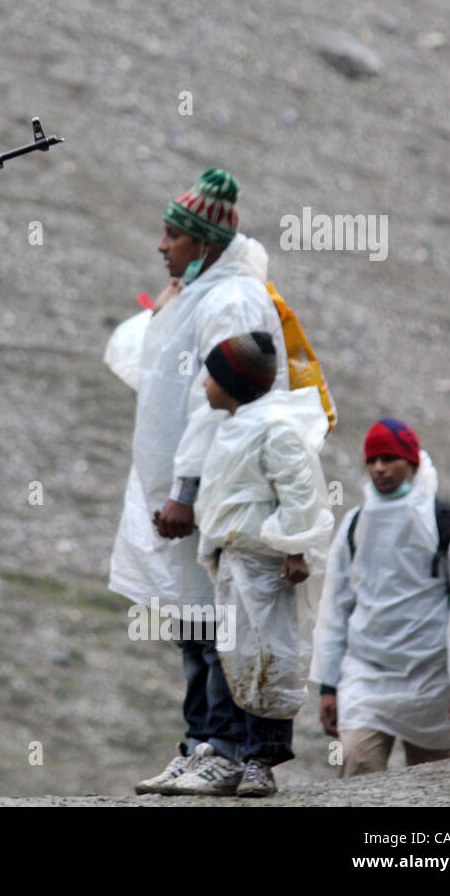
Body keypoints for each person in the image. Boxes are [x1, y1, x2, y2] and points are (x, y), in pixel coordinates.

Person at [104, 168, 289, 794]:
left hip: (216, 493)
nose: (162, 246)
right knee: (193, 621)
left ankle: (228, 747)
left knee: (220, 626)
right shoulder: (197, 291)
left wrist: (185, 491)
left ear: (204, 242)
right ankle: (200, 740)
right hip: (181, 492)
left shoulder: (231, 299)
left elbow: (217, 403)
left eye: (171, 236)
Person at [160, 333, 332, 797]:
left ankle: (262, 760)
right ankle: (230, 756)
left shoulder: (274, 428)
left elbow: (299, 491)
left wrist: (295, 549)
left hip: (268, 568)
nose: (205, 385)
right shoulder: (236, 425)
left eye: (212, 375)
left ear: (232, 381)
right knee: (235, 657)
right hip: (235, 565)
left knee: (270, 656)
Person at [311, 420, 450, 777]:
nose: (379, 467)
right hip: (366, 676)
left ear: (412, 463)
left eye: (389, 458)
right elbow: (336, 609)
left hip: (432, 679)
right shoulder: (355, 524)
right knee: (357, 765)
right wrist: (329, 686)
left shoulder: (448, 519)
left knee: (433, 782)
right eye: (372, 460)